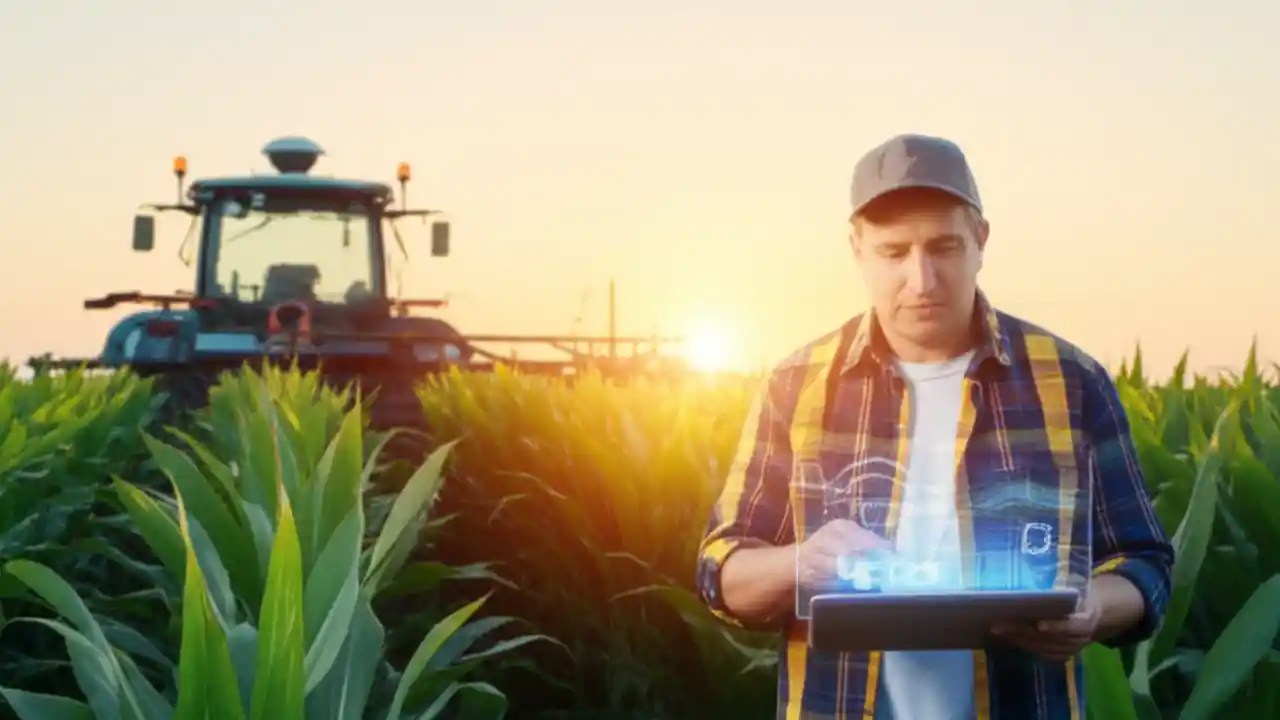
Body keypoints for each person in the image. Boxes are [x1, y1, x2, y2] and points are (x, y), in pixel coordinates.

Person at [695, 133, 1173, 719]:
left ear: (981, 241)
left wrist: (1093, 608)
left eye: (943, 247)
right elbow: (722, 571)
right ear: (858, 251)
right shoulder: (796, 386)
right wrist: (799, 563)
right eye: (894, 253)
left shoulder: (1072, 381)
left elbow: (1145, 564)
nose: (921, 280)